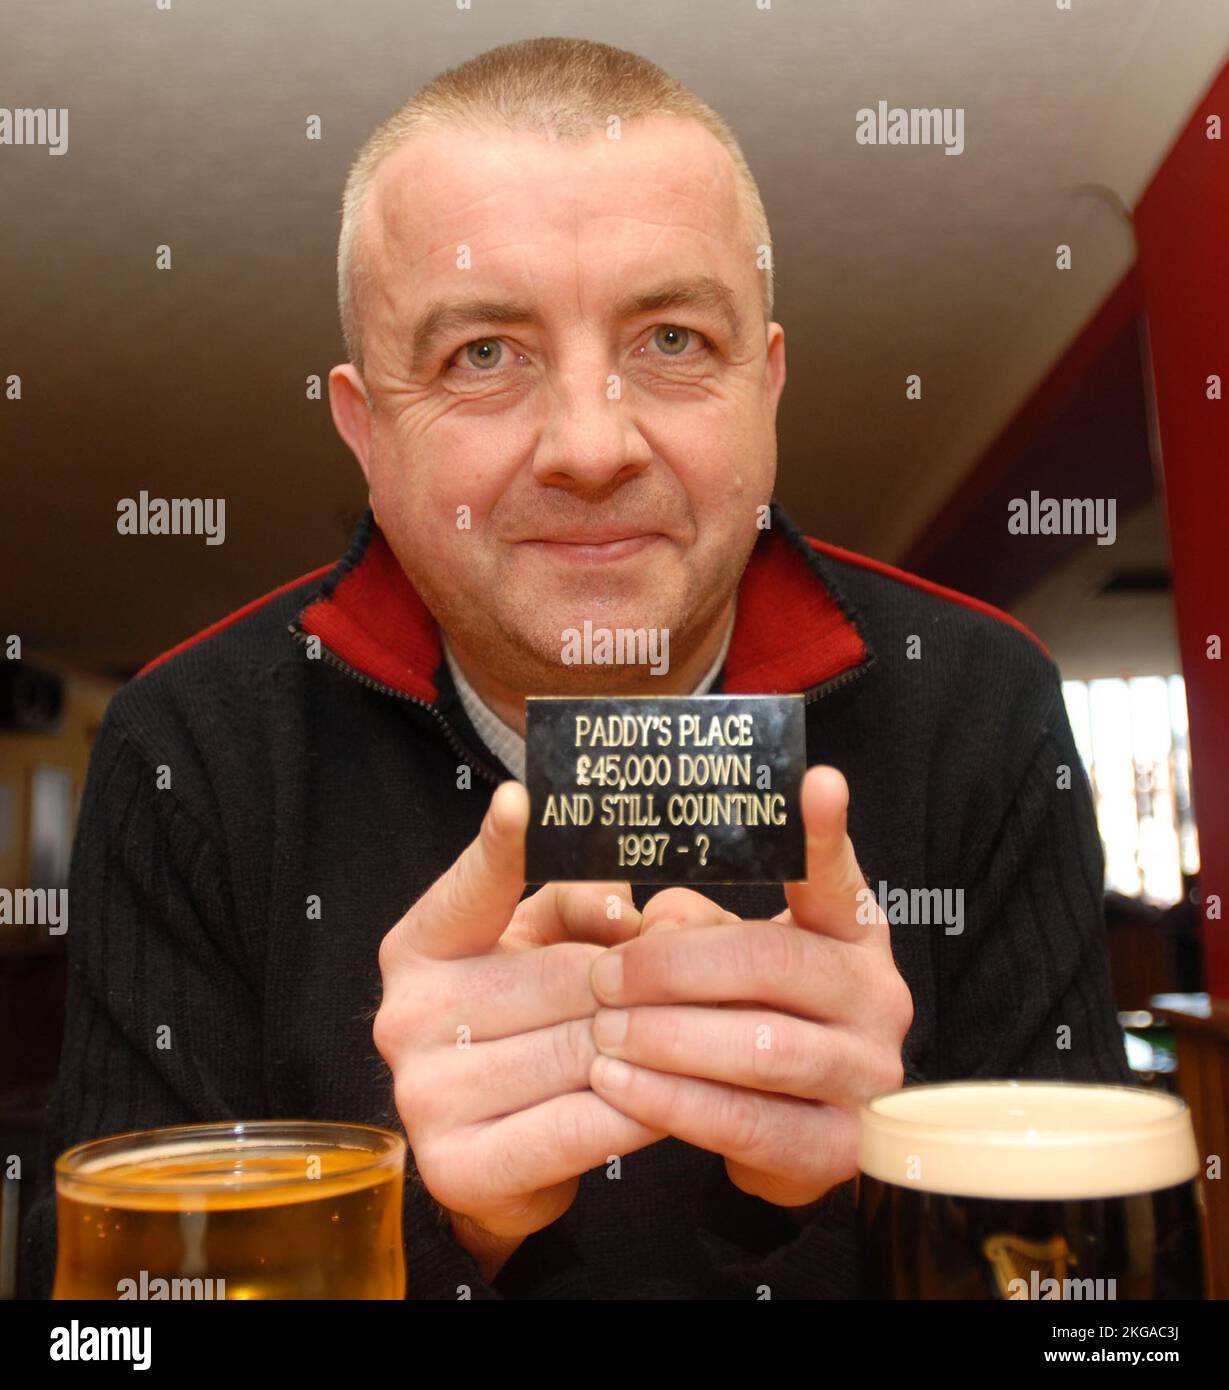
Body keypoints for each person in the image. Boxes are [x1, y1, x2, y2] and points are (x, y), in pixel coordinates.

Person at [20, 36, 1131, 1300]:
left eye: (668, 337)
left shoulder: (976, 708)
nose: (591, 447)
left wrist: (892, 1176)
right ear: (367, 435)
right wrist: (436, 1228)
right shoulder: (190, 755)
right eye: (480, 355)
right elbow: (103, 1327)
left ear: (764, 392)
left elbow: (1093, 1313)